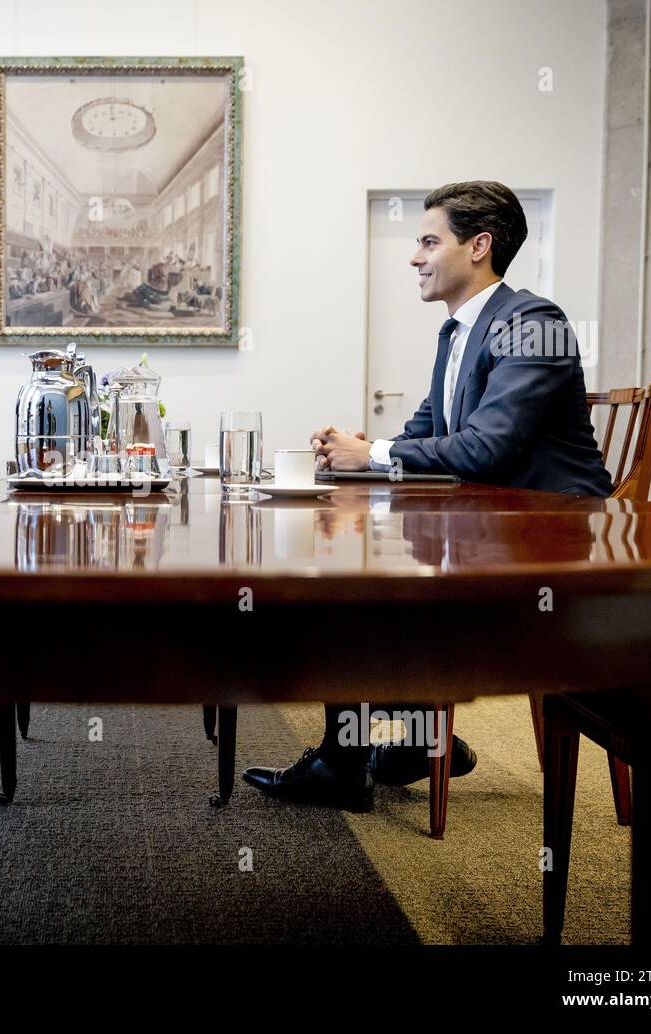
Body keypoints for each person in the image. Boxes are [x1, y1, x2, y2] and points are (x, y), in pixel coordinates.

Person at [243, 180, 612, 811]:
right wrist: (353, 453)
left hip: (550, 544)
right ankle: (414, 742)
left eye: (428, 241)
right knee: (361, 584)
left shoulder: (532, 323)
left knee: (364, 600)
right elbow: (425, 433)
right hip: (490, 534)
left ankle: (358, 758)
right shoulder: (457, 333)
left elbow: (486, 448)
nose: (414, 257)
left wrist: (377, 457)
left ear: (480, 246)